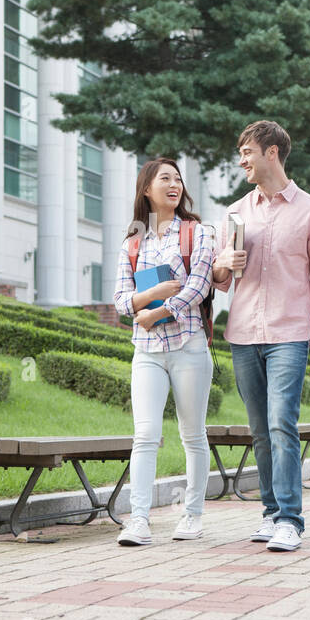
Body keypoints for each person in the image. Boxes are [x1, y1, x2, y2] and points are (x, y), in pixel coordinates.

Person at [212, 121, 310, 553]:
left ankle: (290, 519)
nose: (241, 159)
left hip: (289, 332)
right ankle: (270, 513)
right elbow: (219, 281)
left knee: (280, 422)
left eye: (246, 151)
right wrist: (224, 263)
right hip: (244, 333)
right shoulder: (235, 212)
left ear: (272, 153)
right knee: (259, 429)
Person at [112, 157, 216, 546]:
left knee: (192, 434)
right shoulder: (133, 243)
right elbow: (121, 302)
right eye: (164, 179)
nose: (174, 185)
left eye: (177, 179)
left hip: (189, 347)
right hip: (147, 352)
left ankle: (191, 515)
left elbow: (199, 285)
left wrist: (156, 311)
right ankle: (138, 520)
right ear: (146, 189)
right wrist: (153, 294)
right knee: (145, 435)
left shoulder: (198, 232)